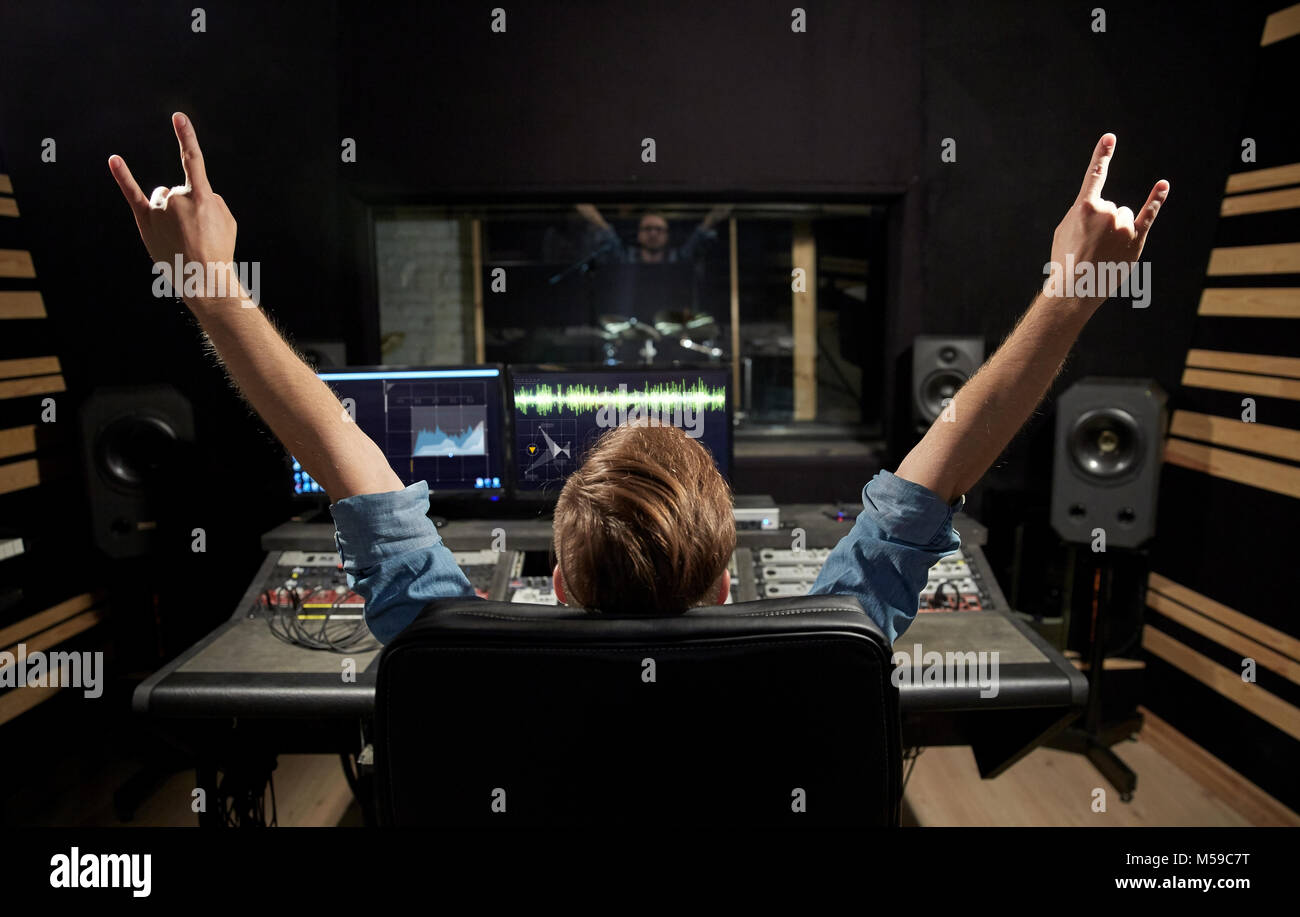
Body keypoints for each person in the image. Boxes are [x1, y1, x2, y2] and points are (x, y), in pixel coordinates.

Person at [109, 114, 1168, 644]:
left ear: (554, 584)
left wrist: (209, 284)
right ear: (722, 583)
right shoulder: (831, 638)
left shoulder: (450, 640)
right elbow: (957, 452)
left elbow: (337, 449)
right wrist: (1072, 289)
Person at [574, 203, 731, 264]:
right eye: (648, 229)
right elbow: (609, 238)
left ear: (666, 235)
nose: (653, 234)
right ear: (639, 234)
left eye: (659, 229)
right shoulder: (626, 258)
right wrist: (594, 218)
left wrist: (712, 219)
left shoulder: (677, 259)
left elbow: (697, 242)